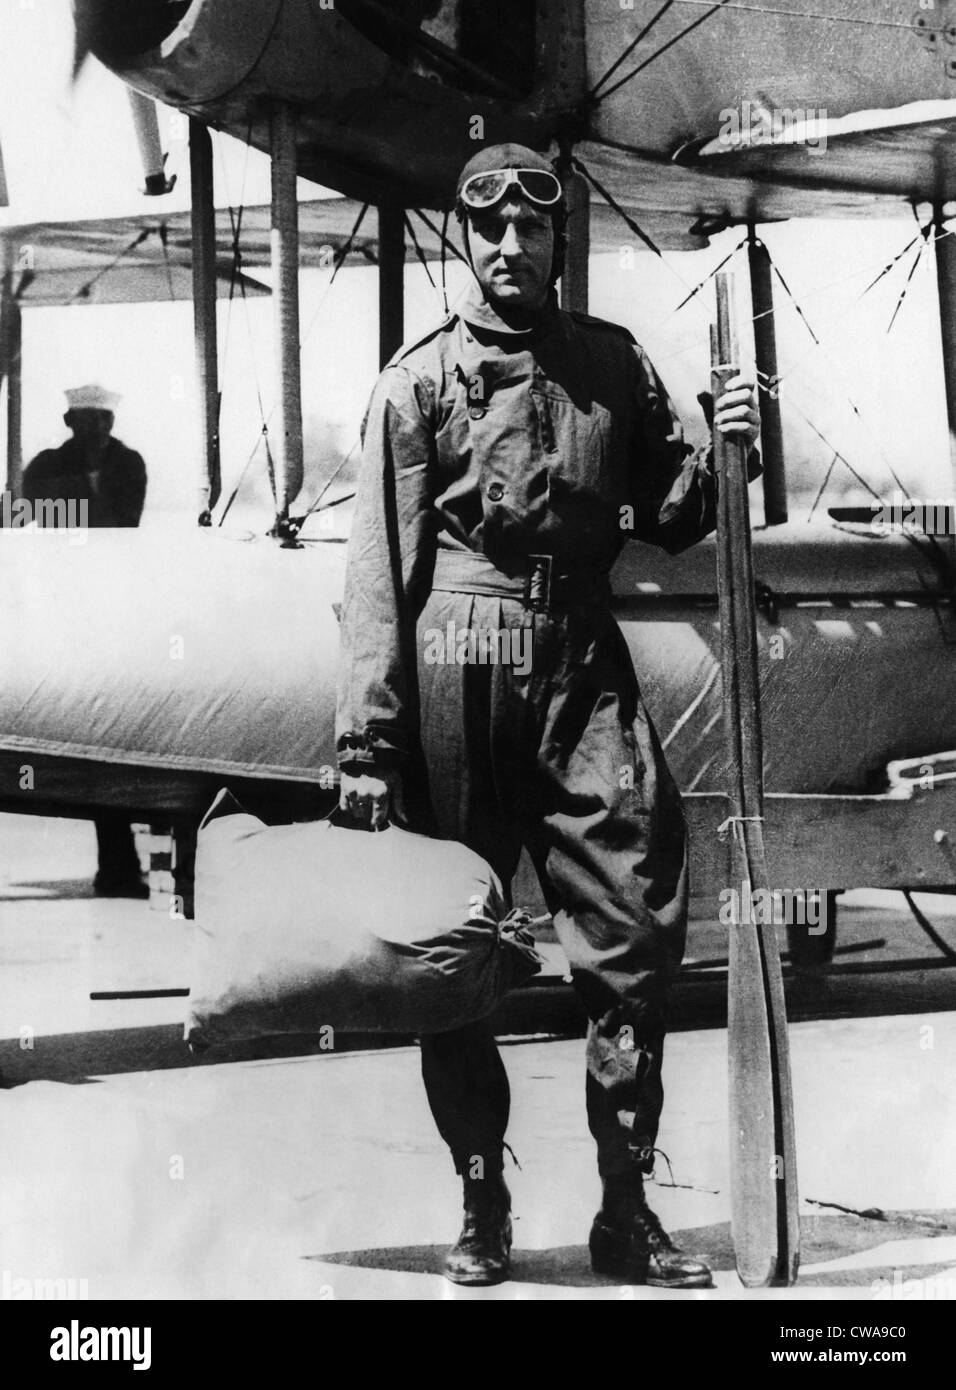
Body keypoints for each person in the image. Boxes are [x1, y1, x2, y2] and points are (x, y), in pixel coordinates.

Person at [336, 144, 761, 1288]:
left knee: (631, 930)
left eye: (533, 231)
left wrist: (729, 442)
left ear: (556, 242)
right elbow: (379, 566)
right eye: (490, 233)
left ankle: (625, 1207)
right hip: (456, 660)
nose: (511, 249)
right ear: (465, 242)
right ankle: (481, 1201)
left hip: (580, 659)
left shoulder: (608, 366)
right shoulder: (415, 382)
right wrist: (368, 745)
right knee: (452, 950)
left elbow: (671, 511)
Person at [22, 384, 149, 898]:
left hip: (113, 605)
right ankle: (119, 864)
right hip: (65, 603)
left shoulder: (127, 463)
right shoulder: (46, 465)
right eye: (87, 419)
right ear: (70, 420)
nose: (97, 429)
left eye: (104, 419)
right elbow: (34, 518)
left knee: (112, 727)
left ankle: (120, 864)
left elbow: (123, 526)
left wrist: (73, 503)